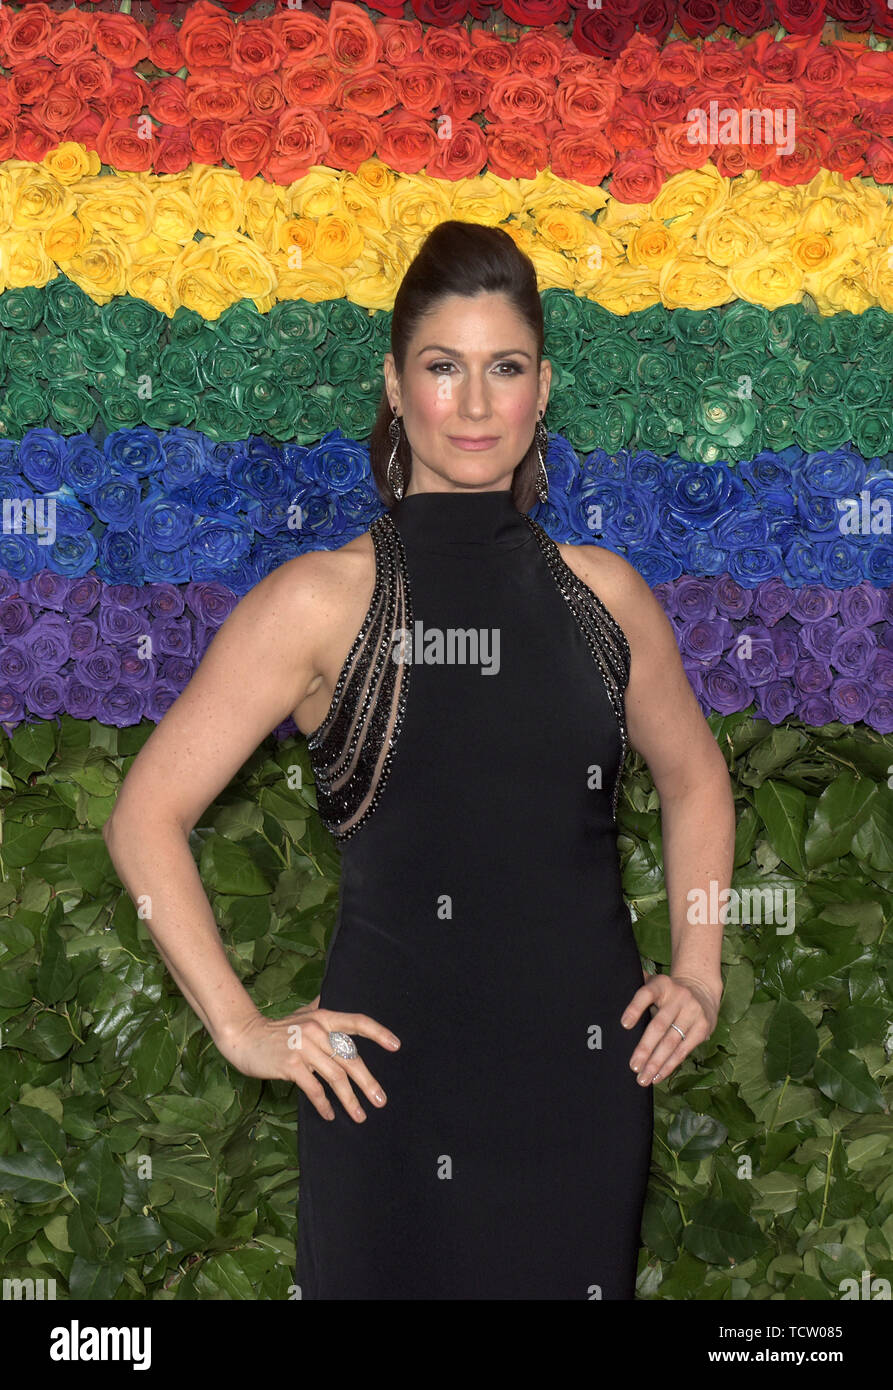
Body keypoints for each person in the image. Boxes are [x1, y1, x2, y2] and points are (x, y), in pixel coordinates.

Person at [103, 219, 735, 1300]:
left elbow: (695, 779)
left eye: (506, 369)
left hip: (578, 1094)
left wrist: (700, 969)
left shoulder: (605, 597)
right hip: (386, 1104)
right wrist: (243, 1027)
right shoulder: (317, 601)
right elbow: (142, 816)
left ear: (543, 390)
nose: (477, 404)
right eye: (444, 369)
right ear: (395, 387)